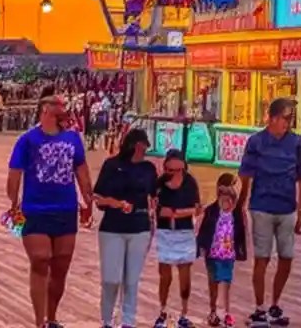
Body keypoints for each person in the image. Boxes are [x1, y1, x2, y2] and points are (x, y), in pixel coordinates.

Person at [7, 90, 94, 328]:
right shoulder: (27, 140)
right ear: (45, 109)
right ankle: (39, 322)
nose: (63, 109)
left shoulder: (73, 138)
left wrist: (88, 199)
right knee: (40, 259)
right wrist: (13, 204)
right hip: (34, 210)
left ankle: (52, 317)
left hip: (66, 209)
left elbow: (81, 169)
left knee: (60, 268)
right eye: (58, 105)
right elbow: (15, 173)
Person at [239, 97, 301, 328]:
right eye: (285, 118)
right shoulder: (256, 142)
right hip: (261, 206)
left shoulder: (297, 143)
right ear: (272, 118)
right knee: (262, 257)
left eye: (291, 118)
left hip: (287, 207)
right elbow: (246, 175)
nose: (288, 123)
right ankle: (259, 308)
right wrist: (241, 204)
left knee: (287, 257)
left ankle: (275, 304)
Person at [93, 128, 157, 328]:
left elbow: (155, 195)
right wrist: (116, 203)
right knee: (111, 278)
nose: (143, 150)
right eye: (140, 146)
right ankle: (107, 319)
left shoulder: (149, 169)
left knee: (132, 279)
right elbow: (98, 198)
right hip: (113, 227)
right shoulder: (112, 165)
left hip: (140, 227)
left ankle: (128, 320)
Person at [154, 149, 202, 328]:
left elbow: (197, 208)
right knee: (164, 276)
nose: (174, 173)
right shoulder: (160, 183)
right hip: (165, 232)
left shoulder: (190, 183)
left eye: (178, 169)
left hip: (184, 232)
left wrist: (176, 213)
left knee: (185, 277)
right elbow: (154, 205)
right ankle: (163, 311)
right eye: (170, 169)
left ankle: (184, 312)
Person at [198, 173, 248, 328]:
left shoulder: (238, 212)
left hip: (228, 255)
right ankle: (214, 310)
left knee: (225, 281)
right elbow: (204, 230)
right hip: (213, 254)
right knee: (213, 282)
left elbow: (241, 232)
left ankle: (225, 311)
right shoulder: (211, 210)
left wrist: (241, 249)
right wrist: (201, 246)